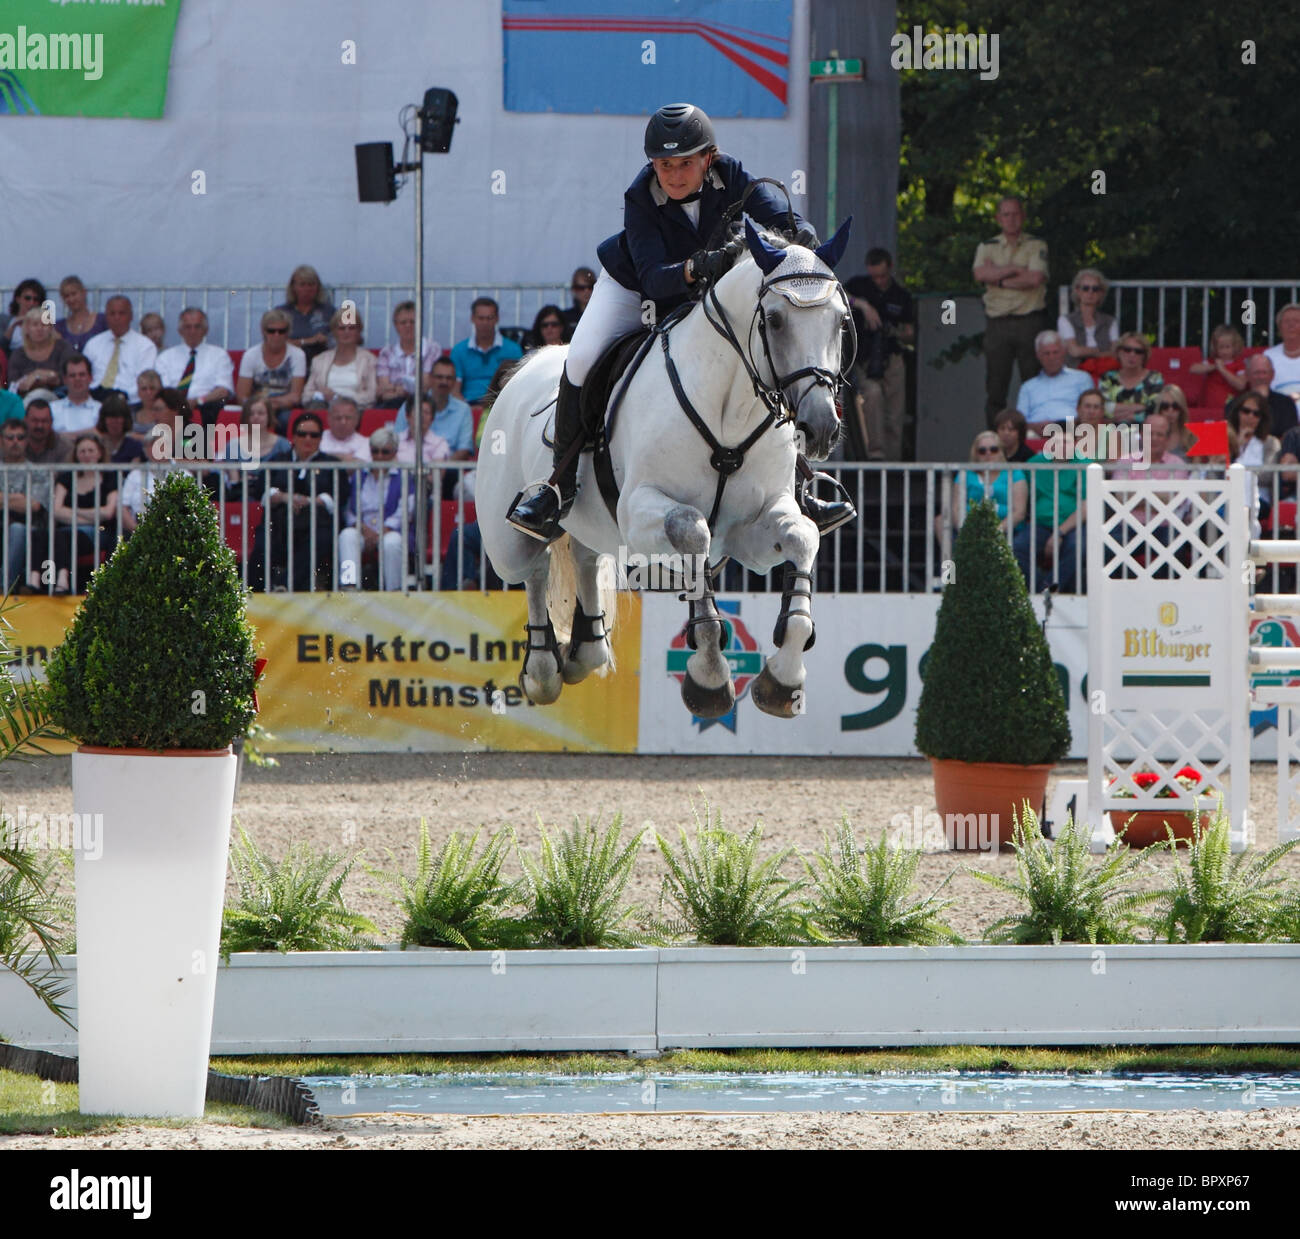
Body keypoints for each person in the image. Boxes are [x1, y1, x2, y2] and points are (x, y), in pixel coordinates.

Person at [508, 101, 850, 541]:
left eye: (684, 164)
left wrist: (800, 239)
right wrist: (697, 267)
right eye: (663, 165)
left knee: (760, 361)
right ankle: (558, 485)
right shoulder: (641, 196)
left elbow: (788, 222)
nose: (672, 175)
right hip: (634, 288)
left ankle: (802, 484)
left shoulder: (733, 177)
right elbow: (654, 279)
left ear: (707, 158)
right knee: (583, 357)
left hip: (703, 297)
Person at [1013, 388, 1108, 594]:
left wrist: (1060, 532)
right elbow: (1019, 488)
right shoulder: (1035, 463)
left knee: (1078, 548)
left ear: (1075, 443)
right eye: (1057, 440)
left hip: (1072, 525)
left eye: (1067, 441)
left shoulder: (1085, 464)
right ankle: (1037, 590)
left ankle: (1048, 590)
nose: (1062, 445)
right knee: (1017, 548)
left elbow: (1086, 506)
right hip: (1041, 523)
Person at [972, 197, 1048, 420]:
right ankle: (994, 443)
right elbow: (980, 275)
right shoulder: (987, 247)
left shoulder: (1037, 244)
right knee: (996, 386)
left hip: (1030, 320)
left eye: (1016, 214)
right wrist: (1015, 269)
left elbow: (1035, 278)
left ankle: (1035, 439)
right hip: (998, 322)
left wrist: (999, 277)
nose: (1011, 219)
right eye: (1006, 214)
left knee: (1033, 382)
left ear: (1023, 217)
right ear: (998, 218)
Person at [248, 411, 339, 591]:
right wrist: (285, 497)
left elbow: (336, 497)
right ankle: (254, 592)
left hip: (315, 522)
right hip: (279, 519)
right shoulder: (278, 461)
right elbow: (262, 491)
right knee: (263, 540)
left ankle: (284, 584)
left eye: (314, 435)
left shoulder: (331, 464)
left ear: (321, 438)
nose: (308, 439)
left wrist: (306, 501)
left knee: (321, 540)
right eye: (302, 434)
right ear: (293, 436)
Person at [845, 247, 914, 461]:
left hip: (892, 358)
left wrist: (893, 330)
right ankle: (876, 457)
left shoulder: (901, 296)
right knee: (872, 398)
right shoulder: (859, 286)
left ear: (890, 269)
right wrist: (863, 305)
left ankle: (893, 463)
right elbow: (835, 292)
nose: (879, 281)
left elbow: (911, 333)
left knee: (894, 413)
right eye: (874, 276)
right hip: (865, 358)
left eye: (883, 276)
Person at [338, 426, 407, 591]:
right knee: (347, 535)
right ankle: (349, 586)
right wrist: (363, 529)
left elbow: (405, 510)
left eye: (385, 452)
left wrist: (382, 531)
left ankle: (394, 590)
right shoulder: (359, 475)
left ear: (394, 452)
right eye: (375, 451)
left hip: (389, 530)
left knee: (393, 542)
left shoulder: (403, 476)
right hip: (363, 529)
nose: (379, 456)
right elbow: (349, 509)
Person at [48, 433, 118, 594]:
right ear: (76, 455)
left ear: (100, 453)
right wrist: (92, 516)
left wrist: (74, 511)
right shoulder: (67, 477)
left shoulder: (110, 477)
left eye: (91, 450)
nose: (87, 455)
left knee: (64, 536)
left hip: (100, 532)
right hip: (69, 530)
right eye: (82, 451)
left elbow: (108, 512)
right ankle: (54, 581)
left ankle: (62, 580)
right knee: (49, 535)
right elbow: (56, 511)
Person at [155, 308, 235, 423]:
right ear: (180, 330)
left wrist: (198, 400)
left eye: (197, 327)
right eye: (188, 327)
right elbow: (163, 391)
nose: (192, 331)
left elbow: (224, 390)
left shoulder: (219, 355)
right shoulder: (165, 357)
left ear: (206, 330)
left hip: (206, 407)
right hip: (173, 408)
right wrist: (180, 403)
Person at [944, 430, 1027, 539]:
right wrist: (967, 532)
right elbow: (956, 509)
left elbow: (1019, 512)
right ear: (976, 454)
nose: (988, 454)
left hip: (1008, 531)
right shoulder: (965, 474)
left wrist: (995, 531)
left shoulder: (1015, 473)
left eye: (994, 450)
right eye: (982, 451)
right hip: (969, 532)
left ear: (1001, 452)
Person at [235, 310, 307, 426]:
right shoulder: (250, 355)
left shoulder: (298, 355)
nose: (276, 335)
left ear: (288, 333)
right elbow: (242, 395)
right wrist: (260, 407)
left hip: (284, 407)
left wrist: (269, 404)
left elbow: (295, 396)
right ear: (263, 332)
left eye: (281, 331)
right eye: (271, 331)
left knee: (286, 419)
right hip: (255, 406)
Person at [0, 419, 49, 592]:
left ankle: (4, 588)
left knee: (17, 530)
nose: (15, 442)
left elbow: (35, 505)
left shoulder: (37, 472)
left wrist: (3, 499)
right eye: (10, 437)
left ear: (27, 441)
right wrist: (19, 498)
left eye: (20, 437)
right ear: (1, 440)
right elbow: (25, 502)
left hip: (29, 526)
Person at [395, 358, 475, 458]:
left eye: (449, 378)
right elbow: (396, 441)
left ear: (454, 381)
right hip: (409, 467)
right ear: (430, 378)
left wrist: (440, 469)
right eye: (439, 377)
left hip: (449, 470)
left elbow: (464, 449)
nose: (444, 382)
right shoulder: (410, 405)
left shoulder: (463, 410)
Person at [449, 298, 523, 405]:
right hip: (467, 407)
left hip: (499, 407)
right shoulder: (458, 351)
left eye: (489, 318)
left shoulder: (513, 350)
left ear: (497, 319)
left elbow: (517, 387)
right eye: (481, 318)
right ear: (472, 319)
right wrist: (467, 412)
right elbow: (454, 390)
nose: (485, 323)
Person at [83, 296, 158, 400]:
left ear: (131, 316)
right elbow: (83, 377)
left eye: (121, 313)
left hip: (129, 403)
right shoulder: (93, 344)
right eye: (112, 314)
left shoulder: (145, 346)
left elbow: (145, 383)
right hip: (94, 400)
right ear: (106, 316)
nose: (116, 318)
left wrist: (121, 397)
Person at [302, 309, 377, 408]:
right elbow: (306, 396)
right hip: (324, 408)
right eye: (342, 328)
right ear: (334, 331)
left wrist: (338, 398)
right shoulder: (319, 360)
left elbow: (372, 395)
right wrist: (320, 395)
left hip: (356, 409)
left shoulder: (369, 360)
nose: (347, 332)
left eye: (351, 328)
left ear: (359, 331)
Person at [1015, 332, 1094, 425]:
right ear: (1038, 356)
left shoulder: (1082, 378)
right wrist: (1035, 427)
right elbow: (1019, 421)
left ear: (1064, 352)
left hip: (1072, 428)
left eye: (1055, 352)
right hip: (1035, 432)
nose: (1051, 357)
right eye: (1046, 353)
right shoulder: (1027, 387)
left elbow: (1092, 412)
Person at [120, 424, 181, 534]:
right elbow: (123, 507)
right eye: (150, 446)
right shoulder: (135, 475)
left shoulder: (182, 474)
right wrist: (137, 530)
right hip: (139, 528)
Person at [375, 300, 438, 408]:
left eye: (412, 322)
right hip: (392, 402)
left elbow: (426, 384)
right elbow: (382, 389)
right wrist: (401, 390)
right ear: (395, 325)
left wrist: (396, 389)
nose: (408, 326)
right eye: (403, 322)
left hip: (423, 403)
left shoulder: (432, 349)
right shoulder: (386, 353)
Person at [7, 308, 74, 397]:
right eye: (35, 324)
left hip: (60, 398)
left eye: (44, 324)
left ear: (50, 328)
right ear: (27, 329)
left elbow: (70, 375)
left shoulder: (63, 348)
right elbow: (12, 385)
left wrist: (37, 375)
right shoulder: (18, 354)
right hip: (26, 401)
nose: (39, 329)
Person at [1057, 268, 1117, 364]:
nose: (1090, 292)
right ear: (1077, 291)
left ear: (1101, 293)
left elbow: (1115, 353)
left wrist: (1087, 352)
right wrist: (1097, 351)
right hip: (1075, 373)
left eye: (1095, 289)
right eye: (1085, 288)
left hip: (1104, 372)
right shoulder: (1065, 320)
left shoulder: (1110, 321)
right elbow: (1074, 351)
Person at [1100, 333, 1164, 422]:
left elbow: (1155, 409)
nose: (1132, 354)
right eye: (1127, 350)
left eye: (1138, 351)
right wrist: (1140, 407)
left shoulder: (1154, 378)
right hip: (1112, 431)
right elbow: (1102, 408)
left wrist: (1128, 416)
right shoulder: (1108, 377)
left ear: (1144, 356)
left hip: (1145, 431)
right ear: (1118, 352)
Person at [278, 265, 335, 364]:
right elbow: (275, 342)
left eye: (311, 284)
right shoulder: (281, 313)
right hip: (289, 363)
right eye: (302, 284)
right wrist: (309, 341)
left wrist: (328, 340)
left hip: (322, 364)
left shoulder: (329, 311)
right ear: (293, 287)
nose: (307, 289)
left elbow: (342, 339)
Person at [1190, 325, 1247, 412]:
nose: (1224, 351)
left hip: (1230, 409)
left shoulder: (1239, 365)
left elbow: (1240, 385)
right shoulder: (1212, 362)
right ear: (1215, 348)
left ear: (1235, 347)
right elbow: (1193, 369)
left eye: (1227, 347)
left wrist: (1223, 370)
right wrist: (1214, 367)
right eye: (1221, 347)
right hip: (1209, 408)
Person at [1241, 353, 1298, 437]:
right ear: (1247, 375)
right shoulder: (1235, 404)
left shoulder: (1286, 403)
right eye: (1256, 373)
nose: (1261, 377)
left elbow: (1290, 436)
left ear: (1272, 375)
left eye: (1264, 372)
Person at [396, 394, 452, 467]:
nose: (421, 416)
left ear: (432, 419)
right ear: (407, 416)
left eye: (426, 412)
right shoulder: (396, 441)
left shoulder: (440, 443)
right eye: (417, 411)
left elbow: (435, 476)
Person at [54, 276, 107, 352]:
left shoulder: (102, 321)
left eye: (74, 294)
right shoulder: (59, 327)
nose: (71, 299)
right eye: (67, 296)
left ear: (84, 293)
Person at [50, 355, 101, 432]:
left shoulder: (100, 410)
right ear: (65, 380)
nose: (77, 379)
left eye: (82, 375)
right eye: (72, 375)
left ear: (90, 378)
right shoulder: (52, 409)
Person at [95, 394, 146, 465]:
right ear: (104, 420)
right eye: (110, 418)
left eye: (118, 418)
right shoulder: (96, 444)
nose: (114, 423)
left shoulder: (134, 446)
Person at [1264, 304, 1300, 403]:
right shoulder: (1268, 356)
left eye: (1296, 321)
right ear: (1279, 328)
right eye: (1287, 321)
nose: (1291, 325)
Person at [319, 395, 371, 461]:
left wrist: (324, 456)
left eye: (348, 418)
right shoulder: (317, 438)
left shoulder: (366, 443)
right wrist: (345, 458)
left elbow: (357, 466)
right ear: (329, 419)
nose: (343, 422)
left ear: (357, 419)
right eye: (338, 418)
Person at [1, 280, 46, 353]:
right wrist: (13, 326)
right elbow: (1, 348)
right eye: (27, 298)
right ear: (18, 299)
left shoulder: (44, 324)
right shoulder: (4, 320)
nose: (31, 303)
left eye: (36, 299)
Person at [23, 399, 71, 464]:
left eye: (44, 421)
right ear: (25, 420)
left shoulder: (64, 446)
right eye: (35, 420)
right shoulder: (14, 441)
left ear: (51, 422)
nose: (39, 426)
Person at [1153, 387, 1191, 459]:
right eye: (1165, 406)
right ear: (1159, 409)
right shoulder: (1149, 436)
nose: (1170, 410)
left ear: (1181, 409)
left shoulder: (1191, 437)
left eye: (1175, 406)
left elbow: (1196, 468)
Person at [561, 267, 596, 332]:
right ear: (573, 289)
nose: (586, 291)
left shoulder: (602, 315)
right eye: (581, 288)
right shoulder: (565, 317)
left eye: (590, 287)